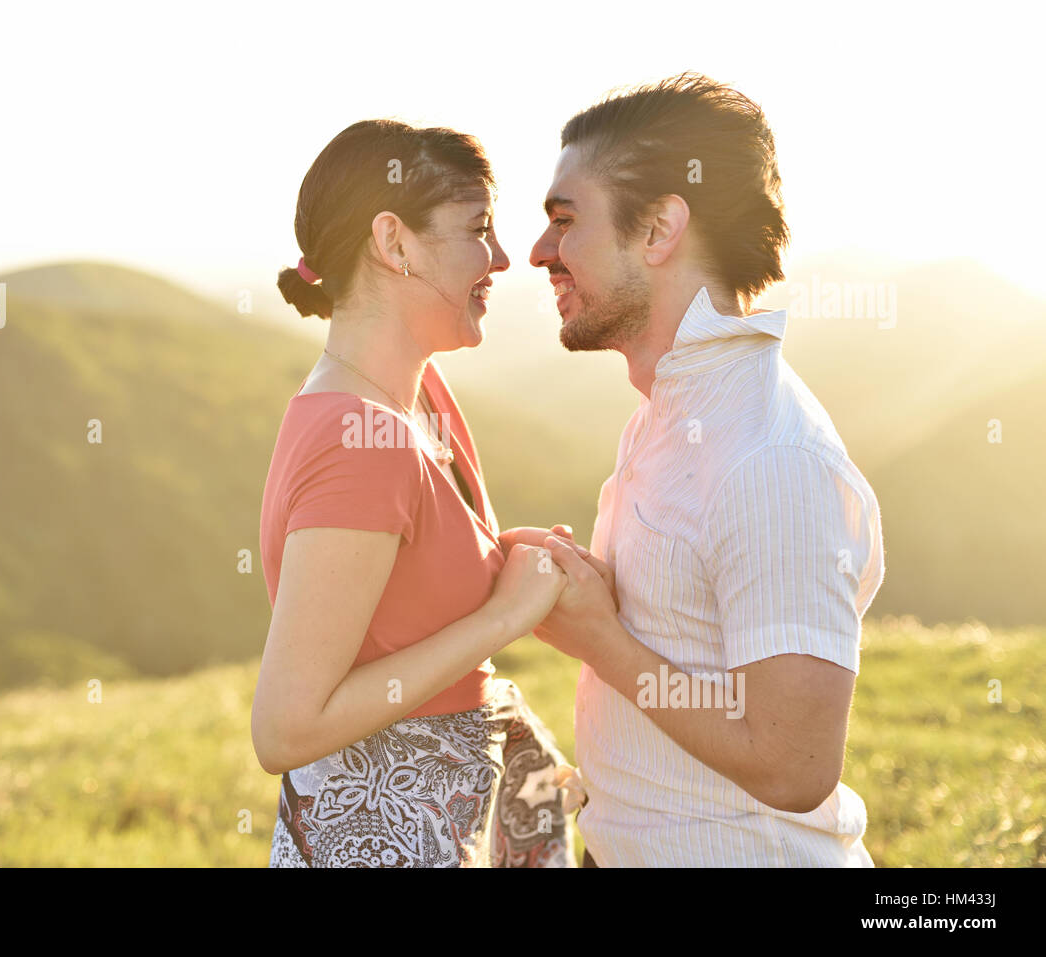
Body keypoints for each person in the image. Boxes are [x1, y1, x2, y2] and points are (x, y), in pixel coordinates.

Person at [515, 73, 886, 866]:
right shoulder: (665, 417)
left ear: (658, 229)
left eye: (564, 220)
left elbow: (794, 765)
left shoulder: (770, 458)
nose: (540, 251)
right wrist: (595, 596)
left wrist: (600, 638)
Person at [253, 119, 583, 867]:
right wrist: (504, 615)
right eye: (479, 228)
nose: (502, 258)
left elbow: (408, 598)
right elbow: (285, 728)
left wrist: (512, 563)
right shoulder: (359, 438)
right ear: (394, 242)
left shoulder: (421, 395)